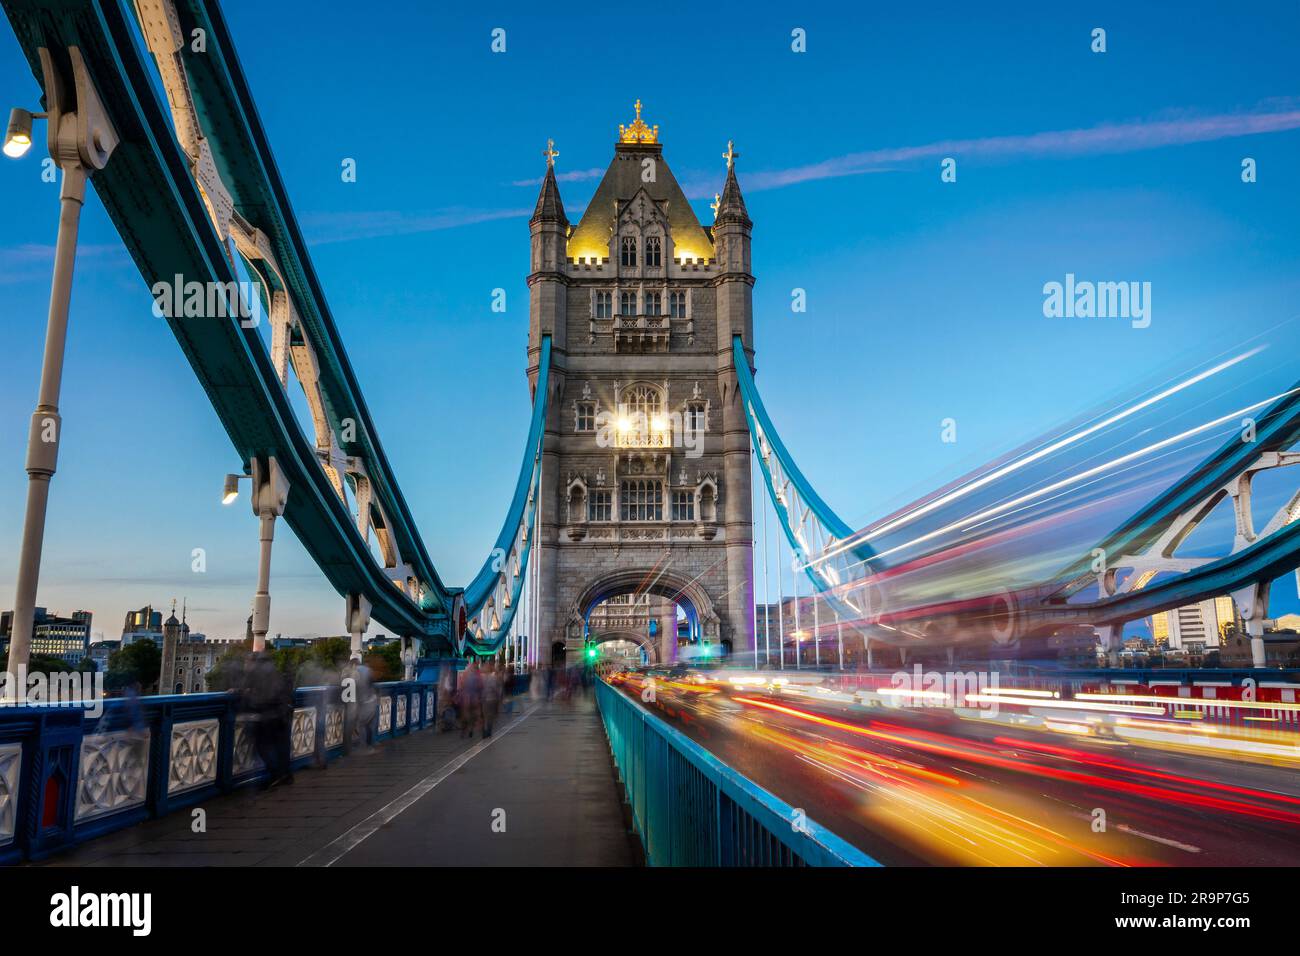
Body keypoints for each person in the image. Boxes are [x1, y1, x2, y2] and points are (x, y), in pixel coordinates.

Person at [246, 650, 294, 788]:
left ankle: (275, 774)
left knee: (261, 745)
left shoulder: (256, 672)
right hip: (283, 713)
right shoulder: (275, 671)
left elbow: (253, 693)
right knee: (282, 746)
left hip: (269, 714)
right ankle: (286, 775)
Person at [457, 661, 483, 738]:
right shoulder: (477, 676)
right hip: (474, 698)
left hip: (466, 699)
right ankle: (470, 729)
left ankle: (464, 730)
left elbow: (461, 687)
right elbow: (480, 686)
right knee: (473, 715)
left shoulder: (464, 675)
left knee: (465, 715)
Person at [481, 661, 503, 737]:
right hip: (491, 699)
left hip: (484, 700)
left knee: (484, 716)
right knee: (489, 716)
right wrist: (498, 699)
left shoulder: (481, 677)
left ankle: (485, 731)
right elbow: (496, 689)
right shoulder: (493, 678)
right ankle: (488, 731)